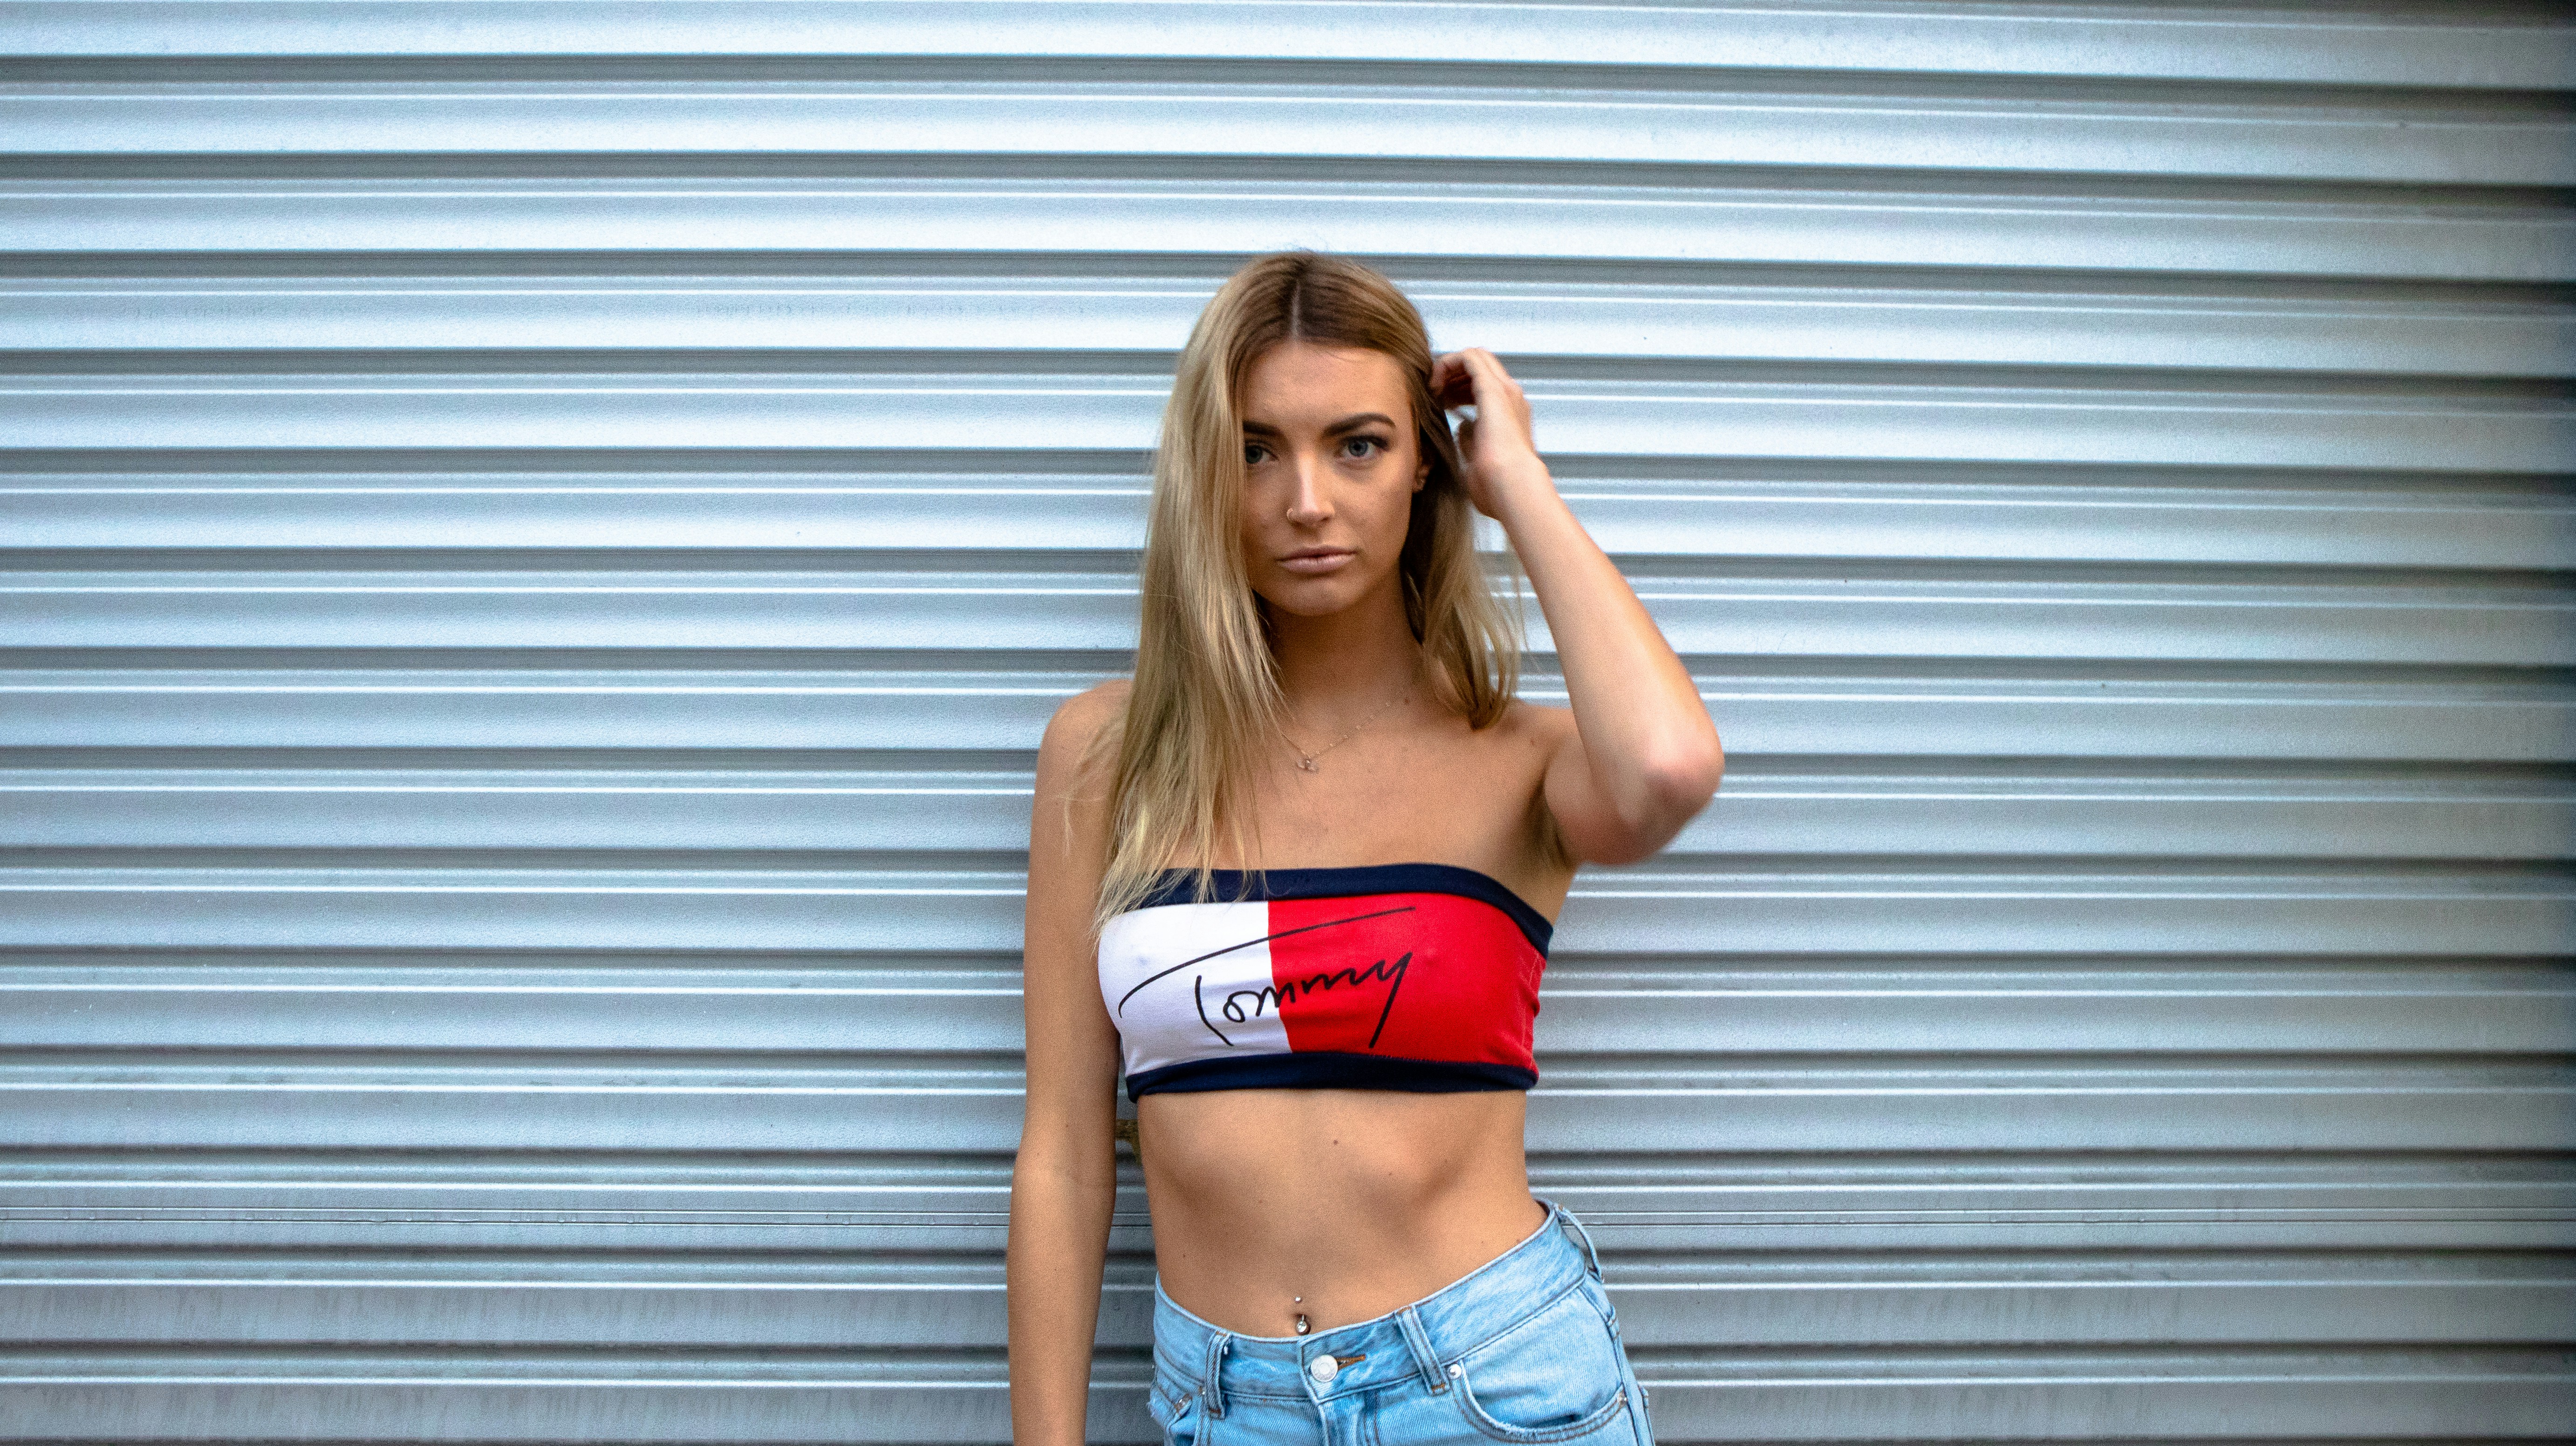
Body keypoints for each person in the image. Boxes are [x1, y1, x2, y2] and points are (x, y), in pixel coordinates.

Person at [1006, 251, 1722, 1445]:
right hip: (1222, 1406)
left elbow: (1666, 768)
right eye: (1252, 449)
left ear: (1424, 469)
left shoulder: (1520, 758)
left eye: (1357, 444)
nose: (1304, 501)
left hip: (1494, 1384)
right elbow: (1068, 1148)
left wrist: (1520, 482)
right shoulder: (1103, 752)